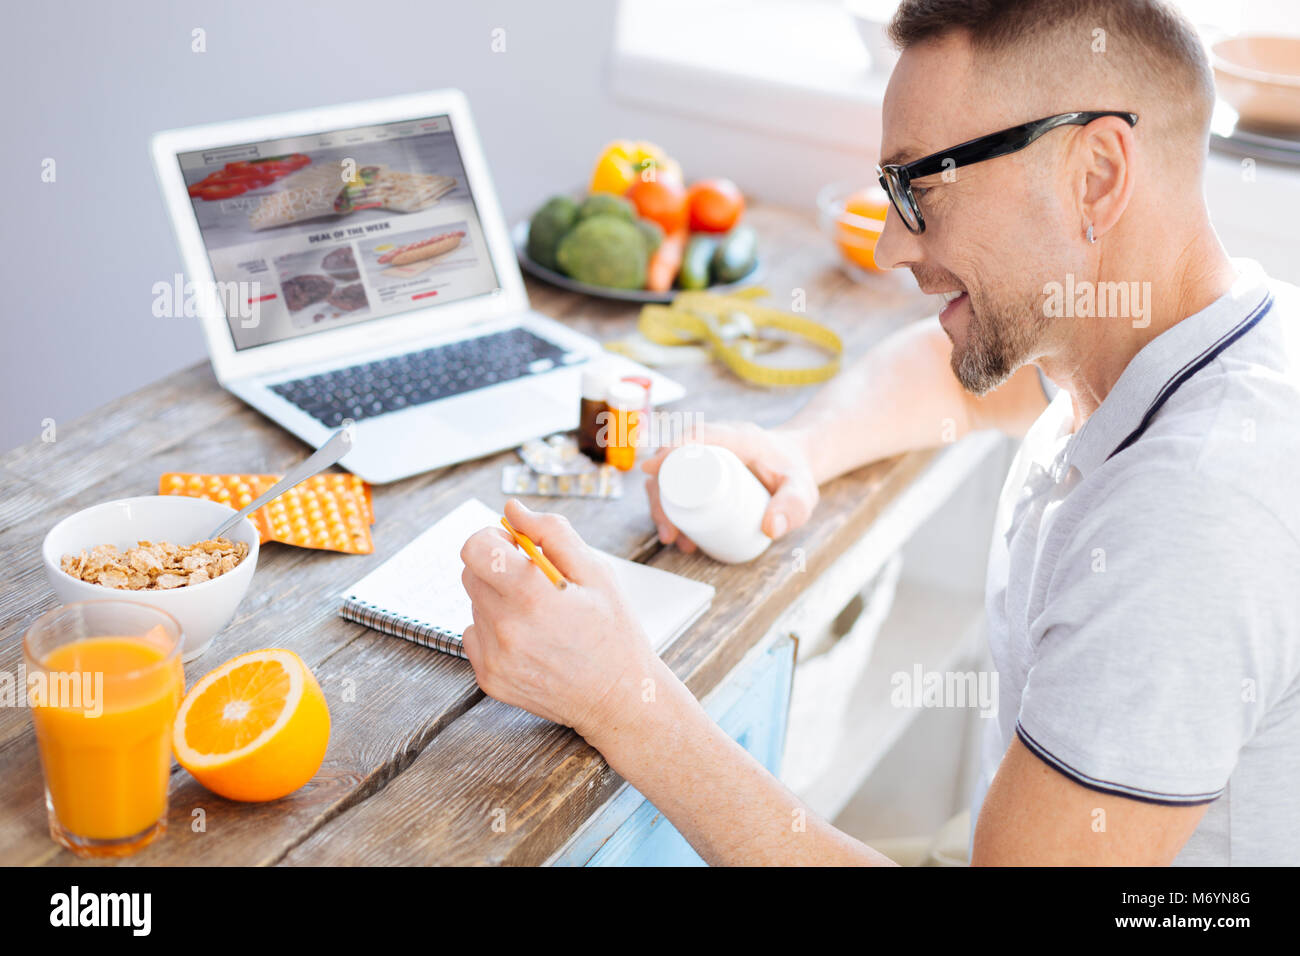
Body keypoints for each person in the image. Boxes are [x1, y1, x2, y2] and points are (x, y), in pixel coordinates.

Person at [460, 0, 1300, 865]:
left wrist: (623, 698)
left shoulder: (1195, 523)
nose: (890, 247)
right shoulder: (1167, 333)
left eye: (922, 185)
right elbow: (974, 383)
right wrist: (801, 449)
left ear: (1094, 177)